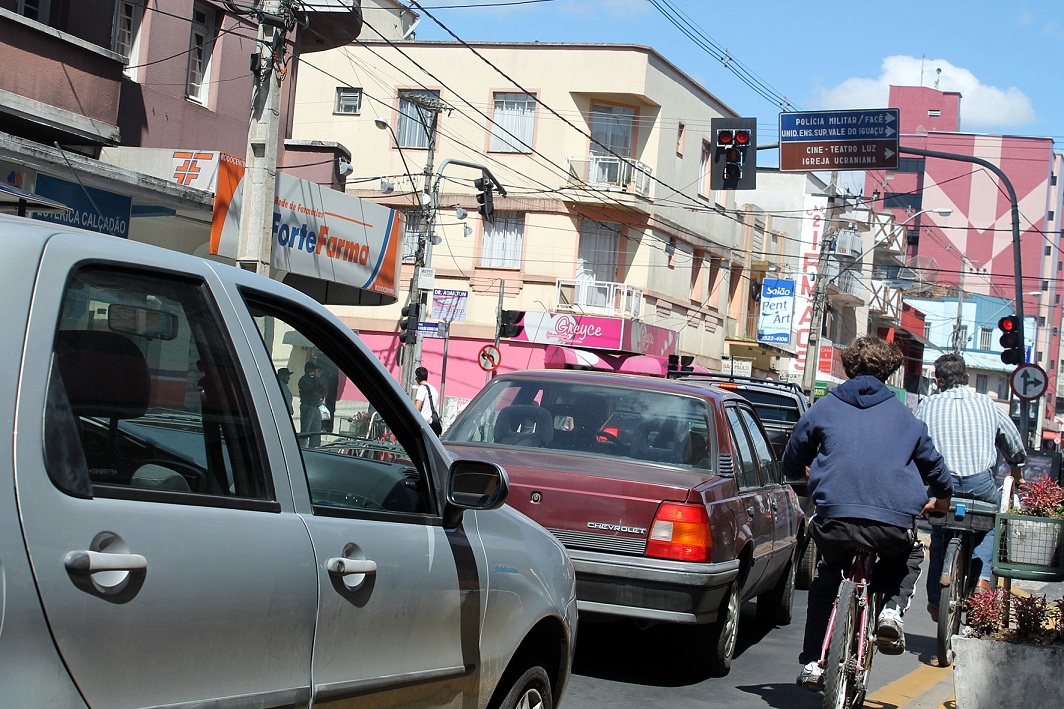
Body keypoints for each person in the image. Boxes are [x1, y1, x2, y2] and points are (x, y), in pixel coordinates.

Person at [782, 336, 953, 692]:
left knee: (827, 578)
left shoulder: (824, 407)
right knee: (910, 554)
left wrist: (808, 476)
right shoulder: (906, 418)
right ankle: (890, 610)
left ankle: (813, 662)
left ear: (847, 366)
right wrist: (943, 501)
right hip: (890, 524)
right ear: (890, 372)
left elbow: (792, 459)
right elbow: (936, 470)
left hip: (834, 521)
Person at [916, 352, 1026, 620]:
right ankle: (982, 580)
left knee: (940, 531)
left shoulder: (926, 405)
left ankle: (934, 600)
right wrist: (1016, 469)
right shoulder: (986, 404)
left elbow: (914, 444)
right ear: (966, 377)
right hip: (980, 483)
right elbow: (1013, 443)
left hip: (943, 484)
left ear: (938, 381)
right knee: (990, 521)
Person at [297, 361, 326, 447]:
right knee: (305, 432)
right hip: (307, 406)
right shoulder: (303, 380)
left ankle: (314, 449)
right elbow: (314, 392)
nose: (313, 371)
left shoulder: (315, 380)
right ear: (307, 369)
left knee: (316, 432)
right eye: (311, 369)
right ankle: (302, 449)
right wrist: (318, 390)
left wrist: (319, 389)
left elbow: (323, 391)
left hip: (316, 407)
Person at [414, 366, 443, 435]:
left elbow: (417, 408)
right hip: (433, 423)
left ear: (417, 377)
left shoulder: (422, 388)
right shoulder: (434, 389)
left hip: (425, 423)